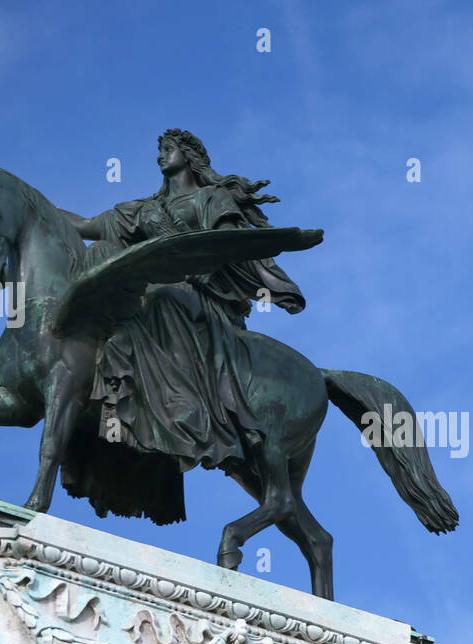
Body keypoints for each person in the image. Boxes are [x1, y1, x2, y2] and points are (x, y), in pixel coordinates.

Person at [59, 129, 308, 484]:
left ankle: (182, 407)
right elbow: (85, 226)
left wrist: (205, 272)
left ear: (189, 156)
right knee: (110, 286)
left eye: (168, 149)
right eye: (159, 150)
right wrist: (27, 204)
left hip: (203, 299)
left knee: (160, 298)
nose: (161, 156)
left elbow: (232, 247)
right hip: (157, 299)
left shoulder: (213, 199)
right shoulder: (143, 211)